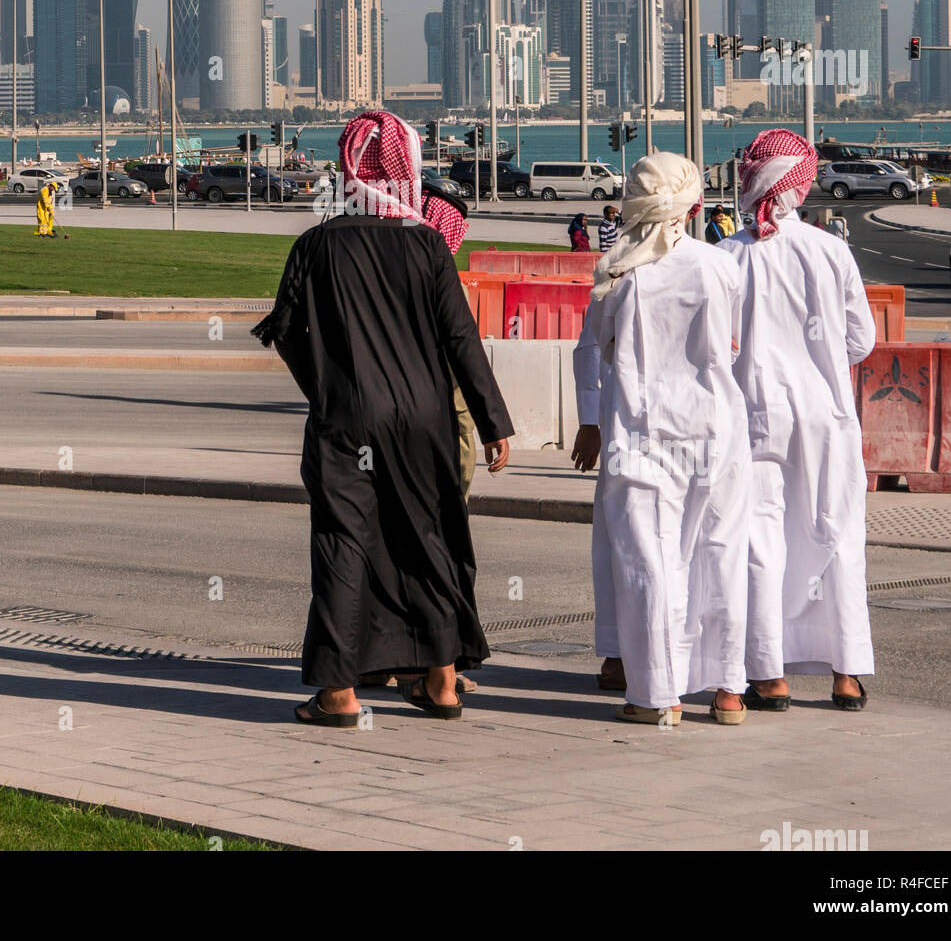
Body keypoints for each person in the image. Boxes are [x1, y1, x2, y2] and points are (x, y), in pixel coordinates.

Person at [253, 111, 513, 728]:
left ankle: (339, 695)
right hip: (425, 419)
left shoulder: (316, 245)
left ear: (348, 168)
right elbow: (460, 339)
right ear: (406, 168)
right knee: (432, 538)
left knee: (344, 544)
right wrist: (493, 420)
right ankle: (441, 682)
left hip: (347, 422)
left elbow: (282, 331)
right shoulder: (427, 243)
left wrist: (325, 387)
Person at [571, 152, 751, 726]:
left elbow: (594, 349)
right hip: (716, 432)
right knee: (719, 553)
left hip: (643, 436)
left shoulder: (618, 273)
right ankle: (727, 690)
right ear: (694, 206)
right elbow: (735, 341)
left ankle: (657, 695)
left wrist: (592, 419)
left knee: (649, 560)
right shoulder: (719, 266)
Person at [717, 129, 876, 713]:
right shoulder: (831, 250)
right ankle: (848, 671)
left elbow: (717, 348)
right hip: (826, 416)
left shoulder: (729, 255)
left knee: (759, 540)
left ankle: (768, 674)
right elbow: (862, 340)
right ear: (801, 184)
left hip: (754, 418)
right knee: (835, 533)